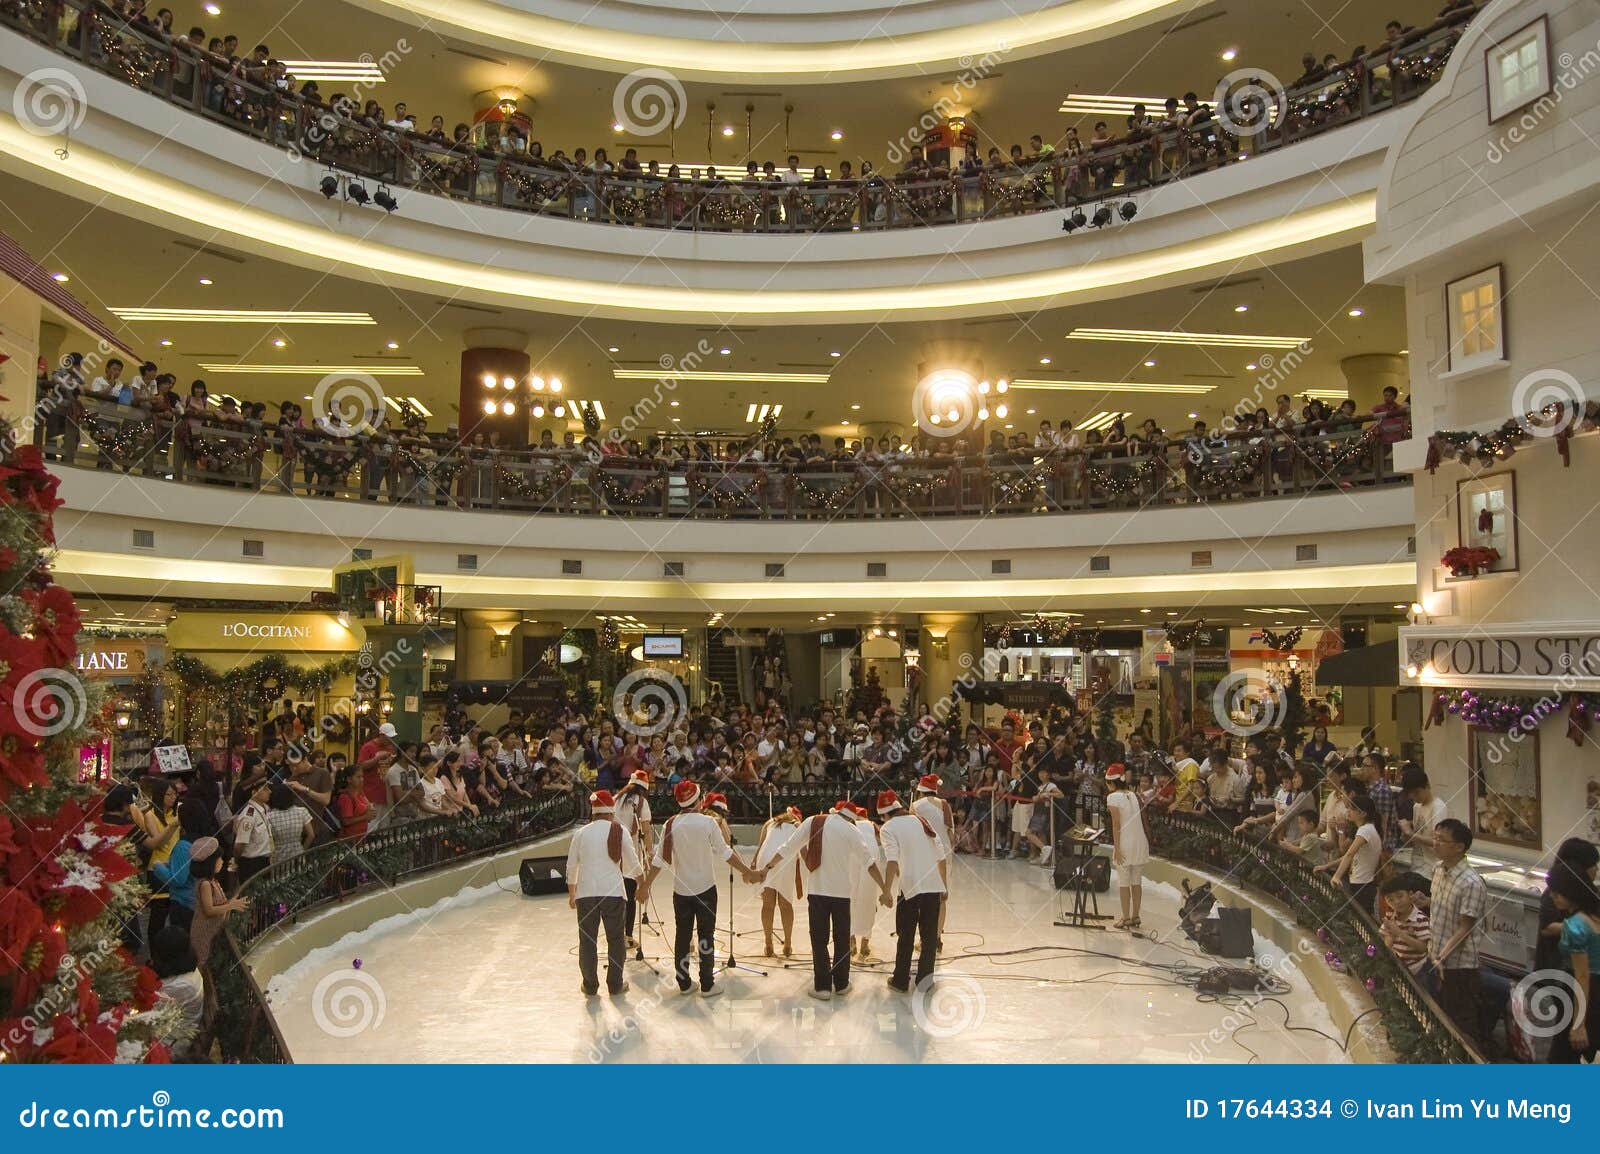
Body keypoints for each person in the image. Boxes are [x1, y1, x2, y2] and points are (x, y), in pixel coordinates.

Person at [771, 800, 889, 1000]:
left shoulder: (812, 821)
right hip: (842, 893)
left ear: (834, 811)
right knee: (842, 940)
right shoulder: (852, 831)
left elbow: (787, 848)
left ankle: (822, 987)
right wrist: (885, 889)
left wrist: (766, 868)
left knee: (819, 939)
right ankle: (842, 984)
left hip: (818, 892)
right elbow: (869, 862)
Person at [651, 781, 758, 996]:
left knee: (682, 936)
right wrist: (747, 871)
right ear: (699, 801)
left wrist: (645, 884)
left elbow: (660, 859)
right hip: (705, 890)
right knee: (705, 936)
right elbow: (725, 853)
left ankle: (684, 983)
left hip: (681, 891)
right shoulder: (708, 823)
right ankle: (707, 984)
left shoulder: (670, 824)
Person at [566, 790, 642, 997]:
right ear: (611, 811)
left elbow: (572, 865)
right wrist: (642, 884)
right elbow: (633, 861)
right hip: (613, 893)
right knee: (616, 940)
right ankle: (615, 984)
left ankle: (590, 986)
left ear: (593, 812)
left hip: (586, 894)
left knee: (587, 941)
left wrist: (572, 893)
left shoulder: (580, 834)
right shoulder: (620, 830)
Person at [878, 790, 946, 993]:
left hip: (910, 888)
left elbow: (891, 860)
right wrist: (944, 885)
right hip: (933, 885)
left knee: (906, 934)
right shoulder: (921, 821)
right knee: (929, 936)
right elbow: (940, 855)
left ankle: (900, 980)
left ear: (884, 814)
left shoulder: (888, 827)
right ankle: (925, 981)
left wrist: (886, 890)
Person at [1428, 818, 1487, 1045]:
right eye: (1434, 837)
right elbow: (1440, 908)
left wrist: (1442, 956)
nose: (1435, 843)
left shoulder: (1471, 882)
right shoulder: (1438, 870)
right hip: (1436, 959)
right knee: (1439, 1020)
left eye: (1441, 840)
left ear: (1459, 847)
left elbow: (1465, 927)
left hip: (1458, 966)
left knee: (1461, 1026)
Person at [1546, 860, 1600, 1063]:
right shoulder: (1594, 915)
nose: (1552, 897)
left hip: (1580, 994)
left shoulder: (1574, 926)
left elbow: (1582, 976)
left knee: (1564, 1056)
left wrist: (1578, 1023)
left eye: (1557, 893)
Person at [1321, 792, 1383, 915]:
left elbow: (1349, 854)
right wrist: (1327, 866)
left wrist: (1337, 876)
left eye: (1352, 809)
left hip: (1362, 885)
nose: (1348, 811)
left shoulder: (1365, 830)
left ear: (1363, 813)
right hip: (1360, 883)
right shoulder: (1366, 829)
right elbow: (1348, 856)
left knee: (1360, 921)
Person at [1103, 765, 1149, 930]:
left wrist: (1117, 848)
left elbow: (1116, 825)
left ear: (1111, 783)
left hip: (1125, 843)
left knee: (1124, 882)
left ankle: (1125, 917)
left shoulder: (1112, 797)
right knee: (1136, 881)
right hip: (1140, 842)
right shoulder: (1133, 794)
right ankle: (1136, 916)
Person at [911, 773, 954, 947]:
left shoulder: (914, 806)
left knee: (924, 897)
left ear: (921, 791)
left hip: (922, 855)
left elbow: (912, 831)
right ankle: (936, 938)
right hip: (943, 853)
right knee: (941, 896)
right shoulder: (944, 805)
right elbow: (951, 832)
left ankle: (924, 939)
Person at [754, 806, 804, 957]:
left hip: (765, 859)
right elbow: (801, 849)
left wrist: (754, 861)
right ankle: (787, 944)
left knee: (767, 904)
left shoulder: (770, 822)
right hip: (784, 859)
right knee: (785, 904)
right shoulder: (797, 825)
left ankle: (768, 944)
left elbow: (761, 845)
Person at [615, 769, 654, 949]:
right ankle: (628, 937)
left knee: (616, 896)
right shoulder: (641, 802)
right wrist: (650, 851)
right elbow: (646, 829)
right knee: (630, 896)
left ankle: (615, 935)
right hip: (631, 853)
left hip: (613, 852)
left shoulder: (616, 799)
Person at [232, 775, 274, 884]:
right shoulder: (248, 815)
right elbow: (240, 845)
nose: (270, 791)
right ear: (253, 792)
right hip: (252, 865)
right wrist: (237, 861)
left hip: (265, 861)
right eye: (265, 789)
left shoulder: (265, 808)